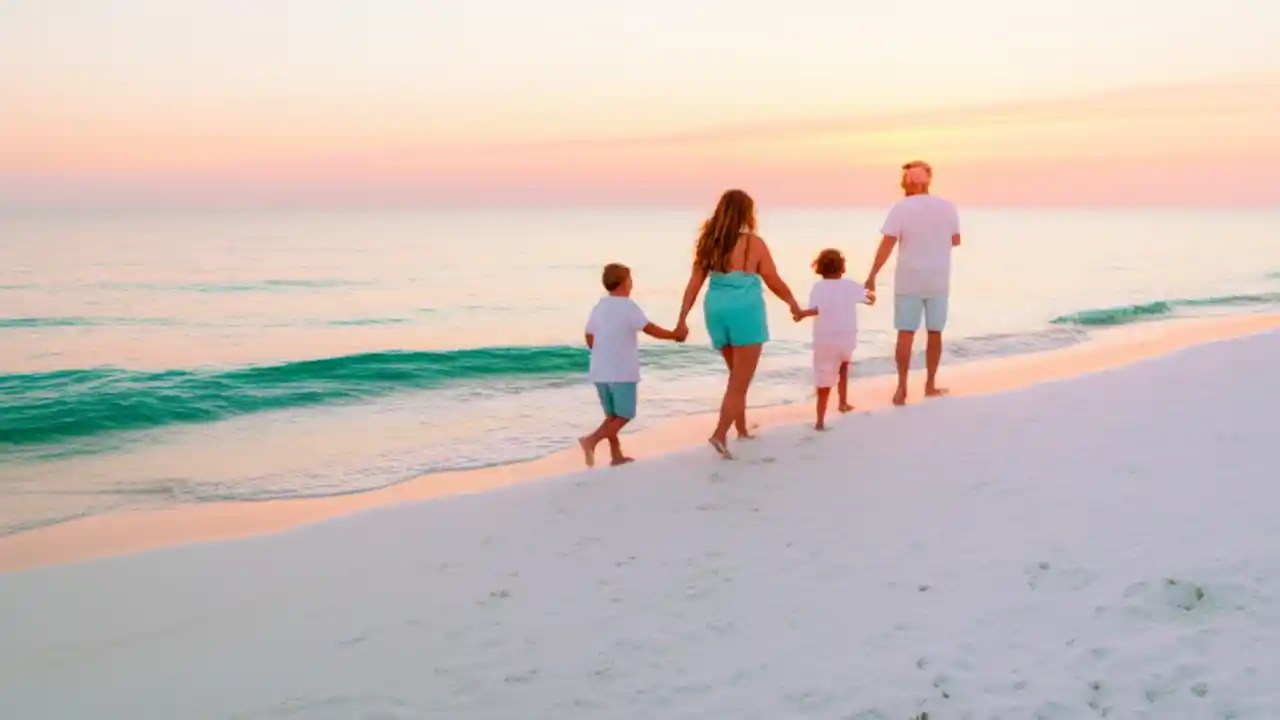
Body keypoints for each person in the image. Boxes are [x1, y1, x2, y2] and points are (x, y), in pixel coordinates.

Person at [675, 189, 804, 459]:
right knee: (739, 382)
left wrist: (682, 318)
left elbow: (694, 284)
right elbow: (772, 279)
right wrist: (792, 302)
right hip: (745, 312)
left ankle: (742, 429)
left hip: (716, 311)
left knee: (736, 375)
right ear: (746, 213)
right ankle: (720, 434)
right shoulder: (753, 244)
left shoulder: (708, 244)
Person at [864, 160, 962, 406]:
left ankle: (902, 388)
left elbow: (887, 245)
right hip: (938, 279)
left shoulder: (901, 209)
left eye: (903, 181)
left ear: (909, 183)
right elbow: (956, 240)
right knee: (935, 332)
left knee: (906, 332)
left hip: (909, 279)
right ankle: (930, 384)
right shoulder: (947, 207)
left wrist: (872, 275)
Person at [579, 263, 685, 468]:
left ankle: (616, 456)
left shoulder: (600, 306)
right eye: (630, 279)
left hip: (600, 370)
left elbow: (589, 334)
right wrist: (674, 335)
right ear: (623, 283)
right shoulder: (628, 306)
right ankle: (591, 441)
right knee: (625, 414)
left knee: (612, 416)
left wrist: (602, 354)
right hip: (622, 371)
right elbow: (649, 328)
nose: (632, 283)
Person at [794, 248, 876, 430]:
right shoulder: (850, 286)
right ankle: (843, 402)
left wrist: (801, 314)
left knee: (824, 378)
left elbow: (815, 310)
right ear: (842, 267)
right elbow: (870, 300)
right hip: (846, 336)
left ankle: (820, 420)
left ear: (819, 268)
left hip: (825, 338)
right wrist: (870, 289)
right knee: (844, 366)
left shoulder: (818, 287)